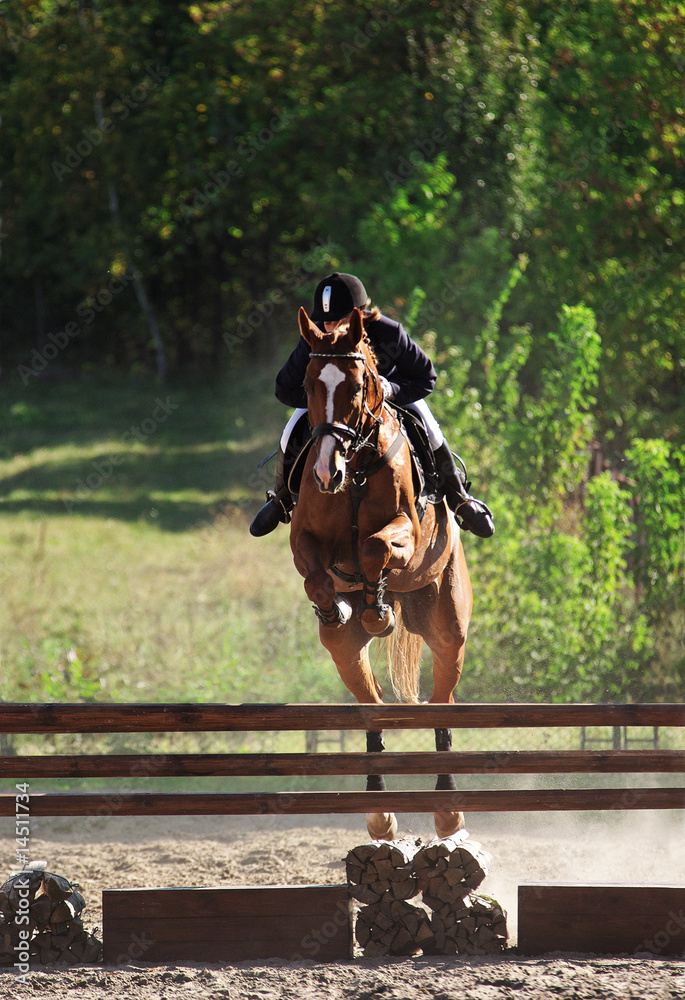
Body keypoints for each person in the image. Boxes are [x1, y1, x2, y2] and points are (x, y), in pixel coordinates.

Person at [249, 272, 495, 538]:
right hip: (336, 407)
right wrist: (325, 400)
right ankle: (281, 499)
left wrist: (391, 389)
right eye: (325, 321)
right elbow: (284, 389)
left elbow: (426, 378)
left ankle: (459, 498)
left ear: (359, 315)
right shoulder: (316, 338)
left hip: (394, 399)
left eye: (338, 320)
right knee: (289, 431)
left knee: (431, 429)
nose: (329, 328)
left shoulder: (389, 332)